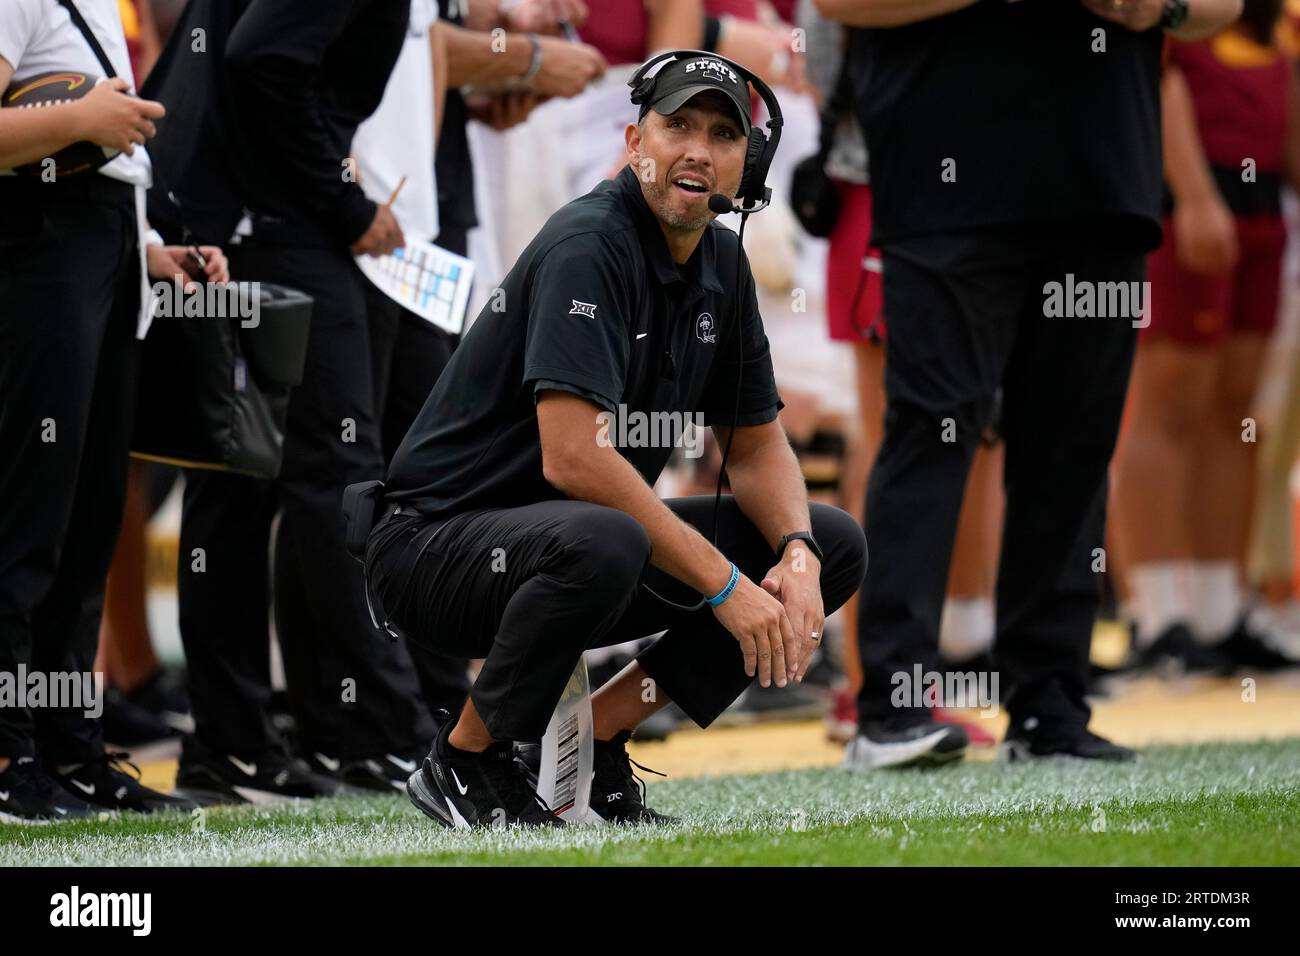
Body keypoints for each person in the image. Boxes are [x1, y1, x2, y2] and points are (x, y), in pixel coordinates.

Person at [370, 51, 867, 828]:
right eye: (677, 126)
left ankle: (597, 738)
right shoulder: (588, 244)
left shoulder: (723, 263)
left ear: (749, 166)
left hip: (576, 551)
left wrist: (796, 555)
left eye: (723, 134)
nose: (698, 149)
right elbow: (573, 458)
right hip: (434, 549)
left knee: (833, 541)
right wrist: (728, 588)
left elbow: (757, 447)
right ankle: (463, 761)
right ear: (636, 140)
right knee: (607, 538)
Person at [816, 0, 1243, 767]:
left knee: (1074, 450)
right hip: (943, 182)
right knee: (932, 432)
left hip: (1101, 177)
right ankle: (893, 709)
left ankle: (1050, 705)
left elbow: (1220, 7)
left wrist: (1165, 5)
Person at [143, 0, 439, 804]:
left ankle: (236, 742)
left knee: (240, 481)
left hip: (224, 211)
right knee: (334, 477)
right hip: (265, 221)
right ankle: (385, 732)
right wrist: (339, 203)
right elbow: (262, 56)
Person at [0, 0, 226, 821]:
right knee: (29, 529)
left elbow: (99, 160)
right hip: (40, 259)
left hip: (105, 254)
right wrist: (81, 115)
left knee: (87, 532)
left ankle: (69, 748)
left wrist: (149, 253)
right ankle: (9, 749)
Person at [1113, 0, 1300, 674]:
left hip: (1261, 210)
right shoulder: (1183, 16)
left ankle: (1222, 611)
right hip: (1192, 203)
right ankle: (1158, 614)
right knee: (1171, 407)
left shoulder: (1276, 23)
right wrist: (1192, 194)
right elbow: (1161, 80)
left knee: (1236, 411)